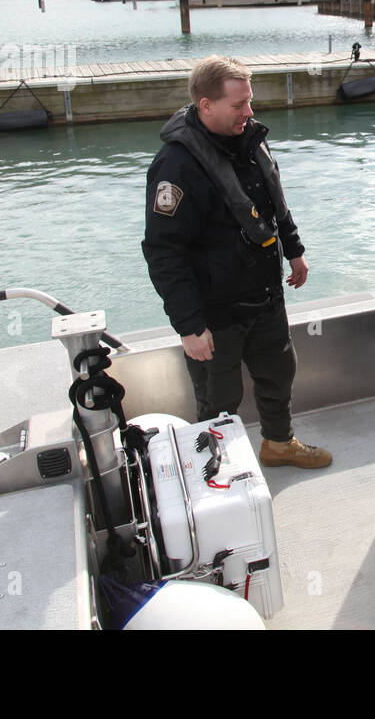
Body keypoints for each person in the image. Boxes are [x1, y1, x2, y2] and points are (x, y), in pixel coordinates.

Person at [142, 56, 331, 469]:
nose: (249, 111)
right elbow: (163, 252)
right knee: (218, 399)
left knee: (279, 374)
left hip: (264, 296)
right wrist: (190, 326)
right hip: (215, 313)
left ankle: (279, 443)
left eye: (250, 101)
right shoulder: (175, 167)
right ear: (206, 105)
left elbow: (272, 203)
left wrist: (294, 250)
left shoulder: (248, 140)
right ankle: (216, 471)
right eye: (239, 104)